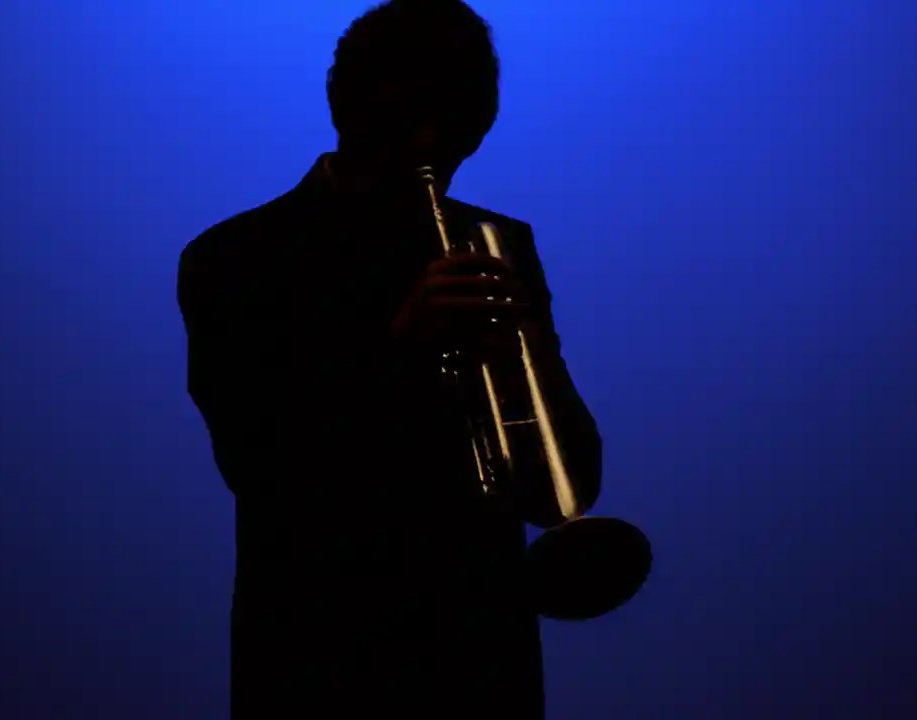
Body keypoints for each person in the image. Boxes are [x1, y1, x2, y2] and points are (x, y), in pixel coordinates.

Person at [176, 1, 602, 717]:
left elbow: (568, 480)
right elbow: (255, 462)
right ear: (350, 110)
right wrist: (401, 342)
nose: (434, 152)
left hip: (479, 657)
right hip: (315, 653)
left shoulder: (496, 244)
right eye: (413, 126)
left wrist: (521, 355)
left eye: (458, 132)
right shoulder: (234, 257)